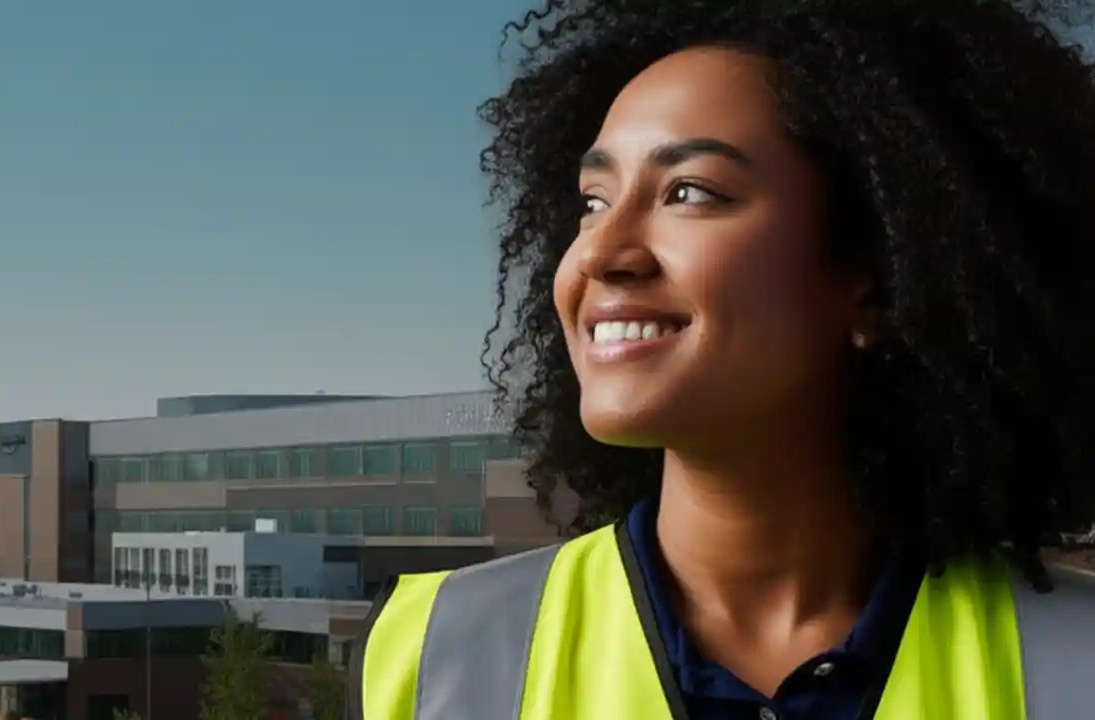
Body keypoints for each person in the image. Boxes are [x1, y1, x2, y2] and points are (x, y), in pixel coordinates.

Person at [348, 0, 1095, 717]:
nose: (600, 254)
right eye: (593, 201)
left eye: (690, 192)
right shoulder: (428, 655)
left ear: (881, 279)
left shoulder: (1072, 661)